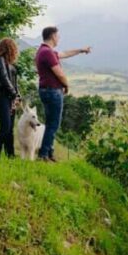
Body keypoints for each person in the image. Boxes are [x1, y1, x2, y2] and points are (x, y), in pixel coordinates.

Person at [35, 26, 91, 162]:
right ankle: (43, 154)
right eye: (58, 36)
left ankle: (49, 153)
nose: (59, 38)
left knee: (50, 123)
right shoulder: (47, 52)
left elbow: (64, 53)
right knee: (53, 124)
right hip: (52, 91)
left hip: (47, 90)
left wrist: (81, 50)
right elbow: (59, 73)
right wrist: (66, 85)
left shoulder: (44, 51)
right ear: (53, 36)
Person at [0, 38, 21, 158]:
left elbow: (15, 83)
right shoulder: (0, 60)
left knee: (10, 128)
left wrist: (18, 96)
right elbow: (4, 78)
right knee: (5, 127)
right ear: (10, 49)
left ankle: (10, 155)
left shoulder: (9, 64)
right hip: (2, 97)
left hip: (9, 97)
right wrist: (14, 94)